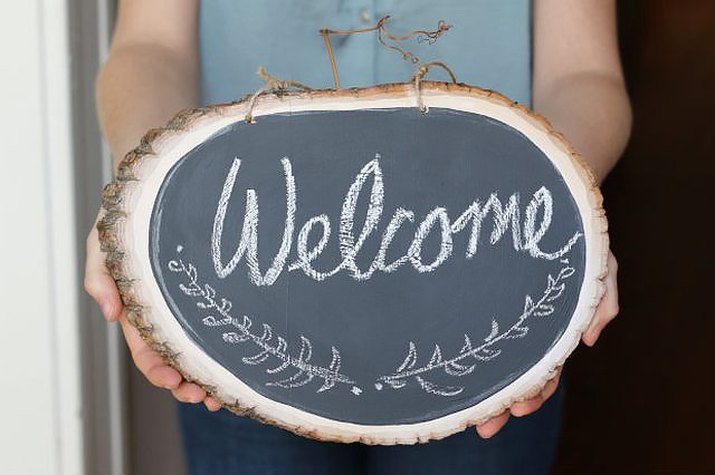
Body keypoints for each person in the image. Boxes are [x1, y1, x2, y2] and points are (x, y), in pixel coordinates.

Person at [85, 1, 630, 473]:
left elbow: (582, 72)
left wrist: (571, 206)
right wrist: (139, 203)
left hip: (487, 272)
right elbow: (152, 45)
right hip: (240, 280)